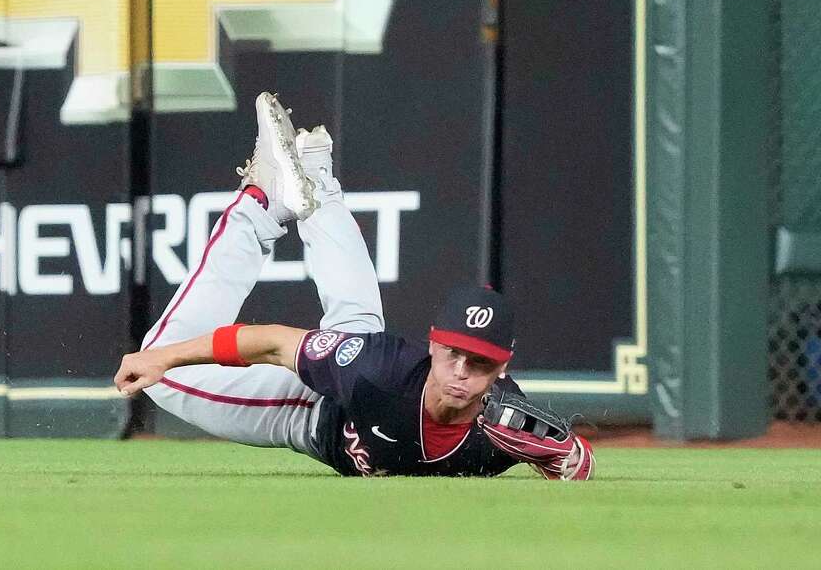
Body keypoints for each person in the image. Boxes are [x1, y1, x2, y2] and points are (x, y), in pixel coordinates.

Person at [115, 92, 594, 479]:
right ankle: (261, 205)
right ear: (433, 343)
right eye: (453, 353)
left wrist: (567, 460)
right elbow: (273, 344)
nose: (462, 372)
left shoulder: (506, 427)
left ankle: (317, 178)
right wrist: (162, 359)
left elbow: (578, 463)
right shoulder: (379, 370)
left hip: (356, 382)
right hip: (312, 407)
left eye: (480, 363)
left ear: (503, 368)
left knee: (357, 326)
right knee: (169, 369)